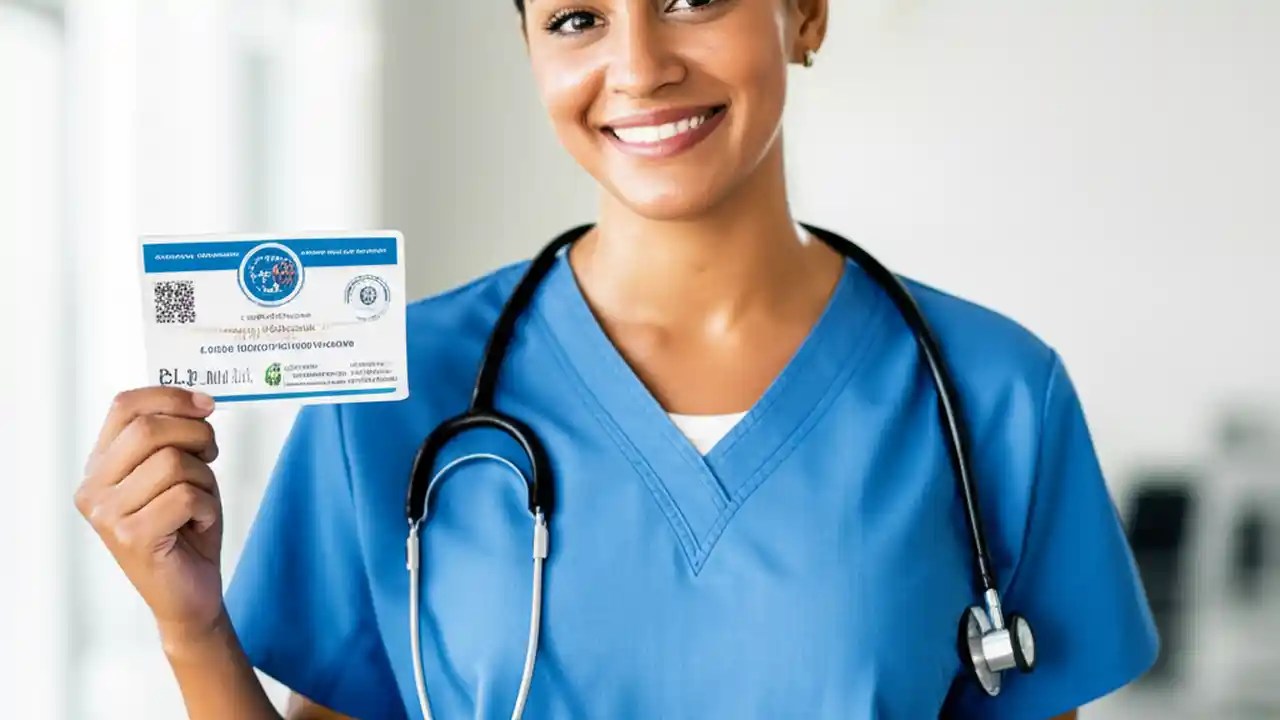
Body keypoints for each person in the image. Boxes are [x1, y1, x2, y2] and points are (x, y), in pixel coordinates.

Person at [74, 0, 1158, 717]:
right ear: (532, 53)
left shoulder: (993, 394)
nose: (637, 65)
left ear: (807, 13)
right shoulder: (392, 395)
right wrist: (193, 625)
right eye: (578, 18)